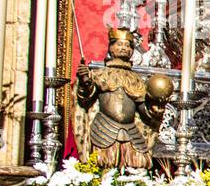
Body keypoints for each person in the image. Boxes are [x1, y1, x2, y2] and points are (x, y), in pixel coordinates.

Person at [74, 28, 174, 169]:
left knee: (139, 163)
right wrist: (85, 82)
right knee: (104, 163)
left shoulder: (135, 80)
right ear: (111, 47)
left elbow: (142, 109)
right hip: (105, 128)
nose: (124, 48)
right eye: (120, 44)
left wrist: (155, 109)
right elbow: (85, 99)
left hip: (131, 131)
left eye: (127, 45)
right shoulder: (101, 75)